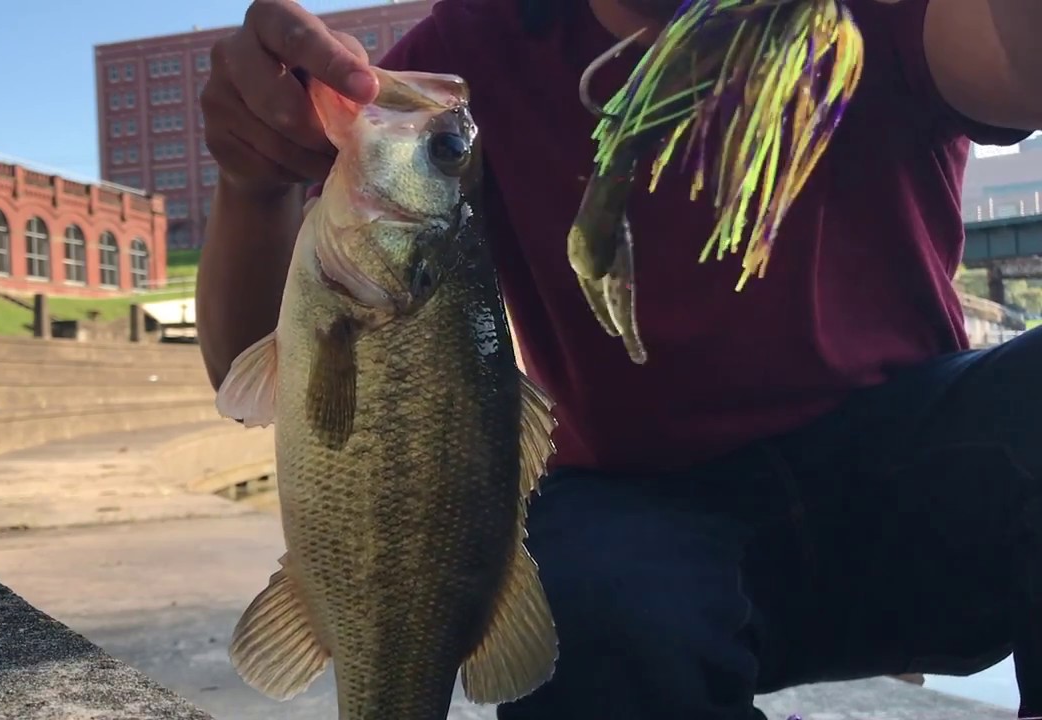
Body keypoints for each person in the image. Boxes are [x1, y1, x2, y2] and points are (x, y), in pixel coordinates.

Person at [196, 0, 1042, 717]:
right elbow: (248, 361)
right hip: (638, 542)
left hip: (929, 512)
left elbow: (1012, 57)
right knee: (587, 598)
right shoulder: (471, 50)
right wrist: (255, 179)